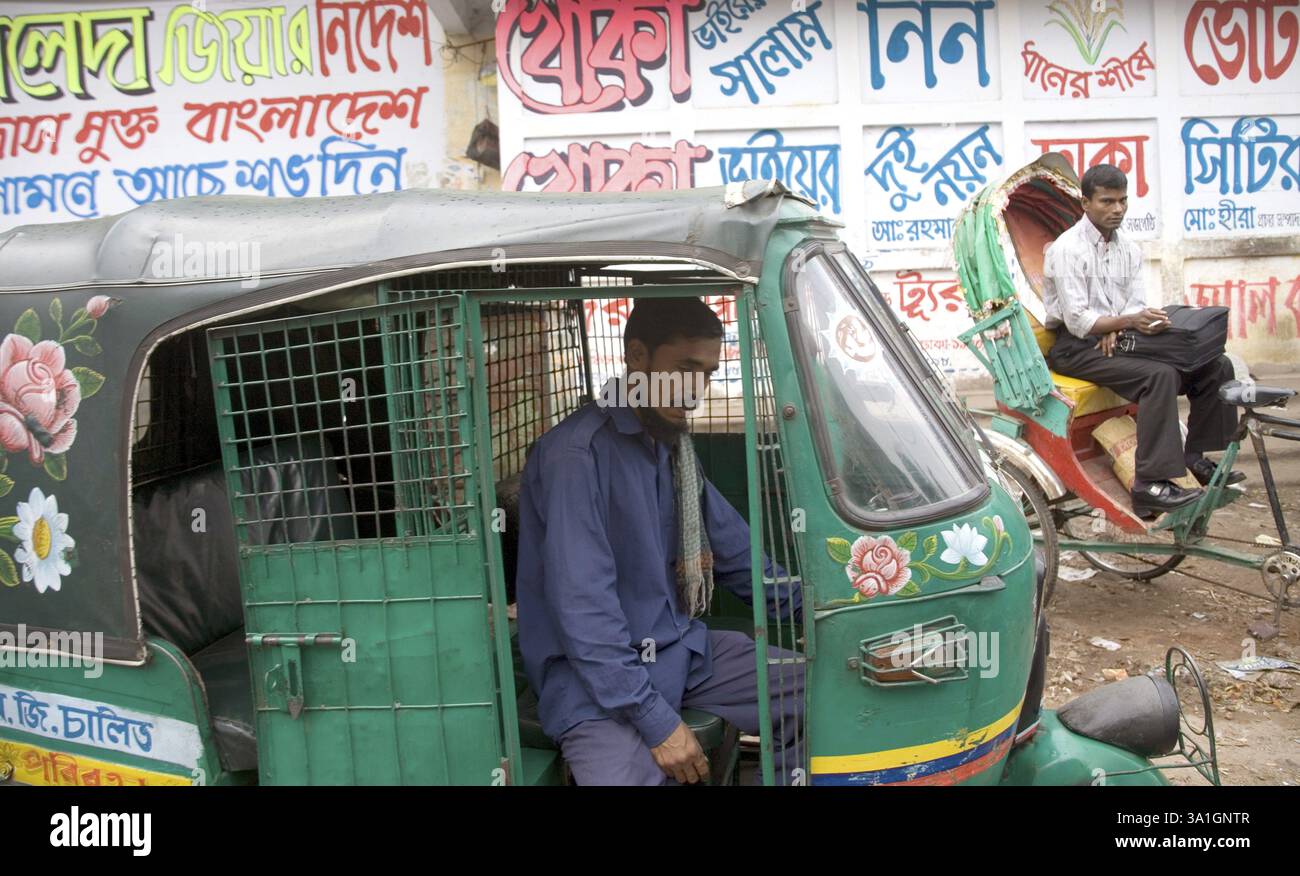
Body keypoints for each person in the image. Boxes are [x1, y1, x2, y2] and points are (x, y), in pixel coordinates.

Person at [514, 296, 803, 785]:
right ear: (636, 357)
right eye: (685, 369)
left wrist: (818, 612)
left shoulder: (671, 446)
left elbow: (737, 554)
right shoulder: (576, 457)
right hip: (597, 682)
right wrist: (656, 721)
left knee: (822, 685)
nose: (696, 390)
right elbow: (586, 613)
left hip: (681, 654)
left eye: (708, 373)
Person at [1043, 164, 1243, 519]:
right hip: (1073, 348)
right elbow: (1077, 321)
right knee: (1159, 375)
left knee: (1215, 364)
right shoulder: (1066, 250)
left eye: (1122, 201)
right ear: (1085, 203)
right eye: (1107, 201)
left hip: (1116, 337)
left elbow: (1133, 304)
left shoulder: (1129, 249)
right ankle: (1149, 485)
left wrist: (1126, 324)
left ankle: (1195, 457)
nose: (1117, 209)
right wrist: (1120, 323)